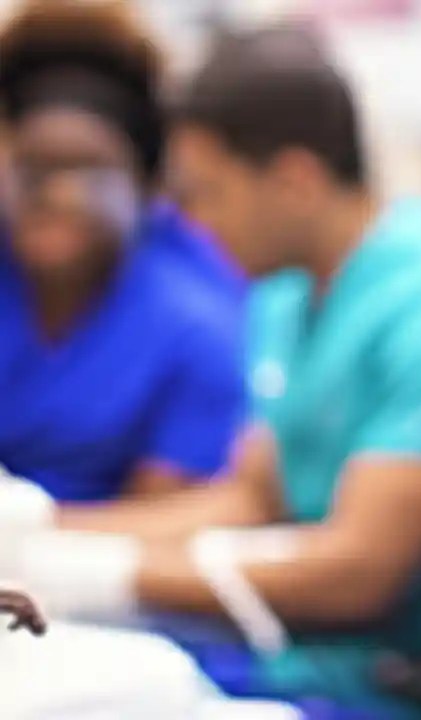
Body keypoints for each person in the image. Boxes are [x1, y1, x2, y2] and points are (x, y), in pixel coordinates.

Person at [1, 25, 421, 720]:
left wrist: (96, 574)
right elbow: (251, 500)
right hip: (278, 664)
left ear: (295, 179)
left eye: (206, 193)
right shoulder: (287, 294)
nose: (191, 223)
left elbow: (361, 574)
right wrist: (38, 532)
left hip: (397, 689)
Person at [0, 0, 244, 501]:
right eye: (34, 167)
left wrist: (26, 532)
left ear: (145, 189)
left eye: (88, 170)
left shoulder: (197, 321)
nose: (57, 196)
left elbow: (166, 513)